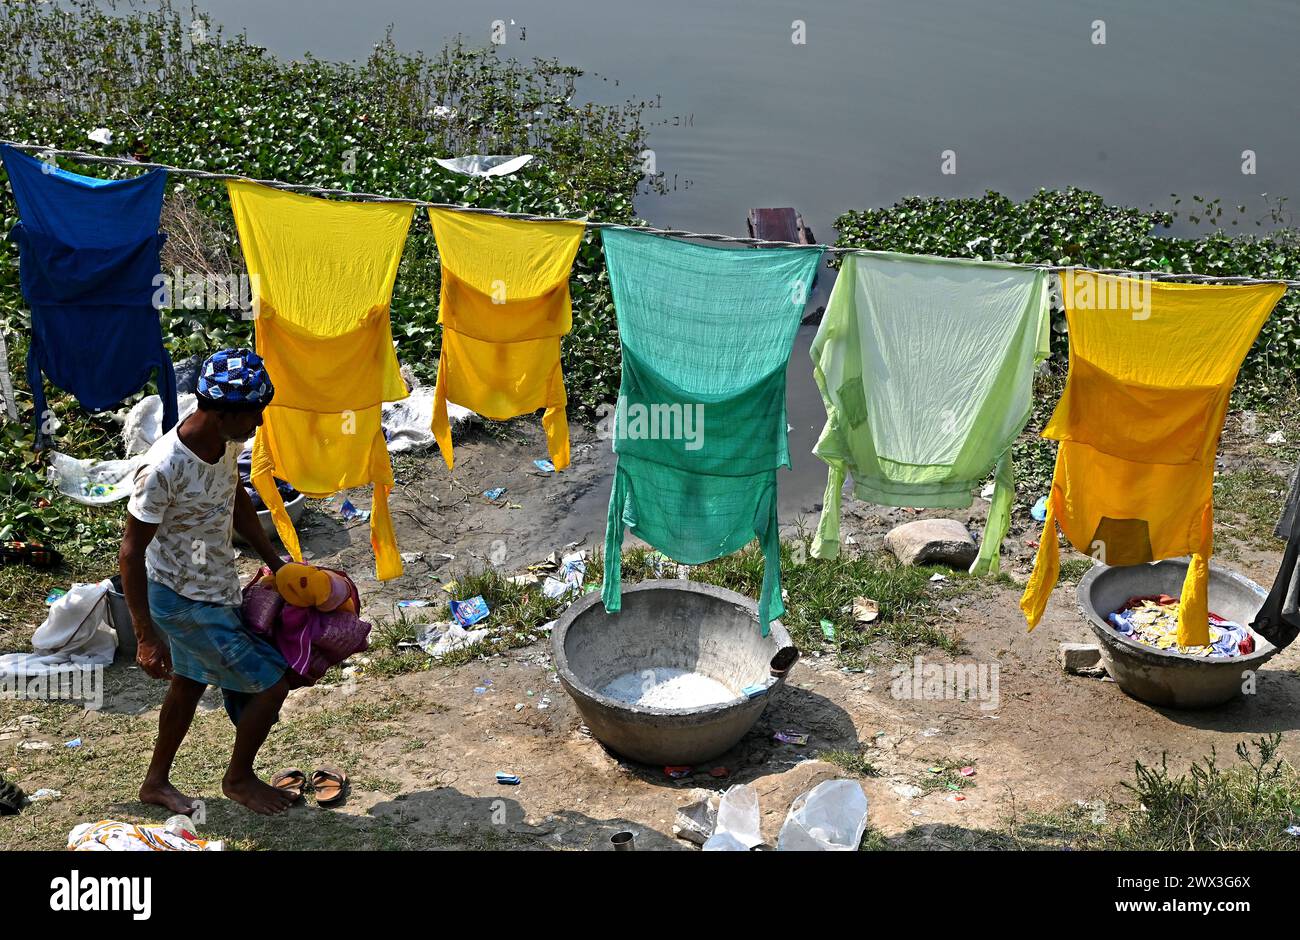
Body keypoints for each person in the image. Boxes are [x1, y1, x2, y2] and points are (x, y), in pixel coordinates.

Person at [120, 348, 298, 816]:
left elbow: (234, 493)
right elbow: (131, 552)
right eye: (253, 415)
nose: (258, 424)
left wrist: (275, 562)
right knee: (270, 684)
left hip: (217, 586)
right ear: (220, 413)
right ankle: (238, 779)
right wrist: (145, 636)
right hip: (180, 598)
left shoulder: (226, 440)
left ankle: (154, 784)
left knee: (189, 683)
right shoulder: (162, 469)